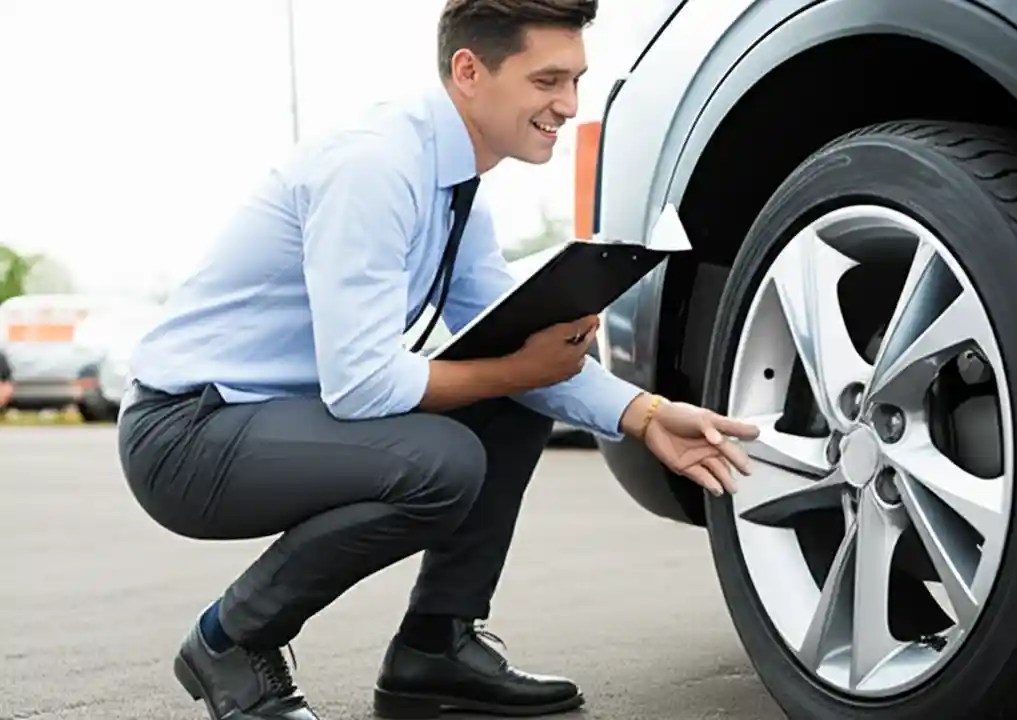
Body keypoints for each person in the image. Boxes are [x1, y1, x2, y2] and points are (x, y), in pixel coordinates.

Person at [115, 1, 760, 719]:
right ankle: (228, 641)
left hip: (268, 419)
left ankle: (435, 647)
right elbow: (363, 387)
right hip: (186, 435)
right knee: (445, 461)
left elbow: (514, 346)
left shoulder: (454, 184)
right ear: (469, 71)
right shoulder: (375, 166)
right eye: (547, 80)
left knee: (511, 405)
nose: (569, 106)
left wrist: (646, 414)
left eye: (577, 81)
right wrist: (521, 371)